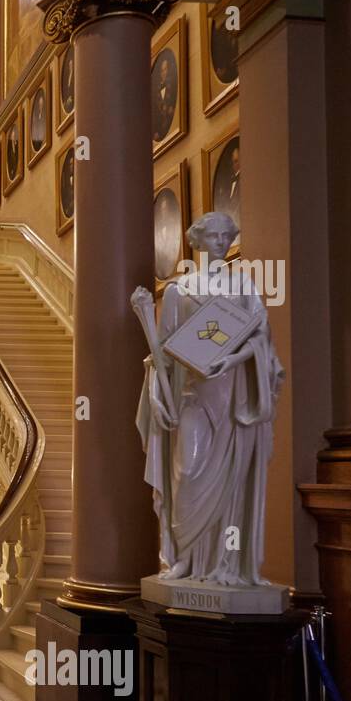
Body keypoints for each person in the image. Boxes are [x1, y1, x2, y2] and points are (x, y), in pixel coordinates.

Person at [131, 212, 284, 585]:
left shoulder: (244, 288)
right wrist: (158, 383)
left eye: (224, 235)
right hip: (191, 396)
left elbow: (260, 341)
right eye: (211, 236)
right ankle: (184, 559)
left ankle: (225, 564)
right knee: (187, 472)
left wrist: (231, 359)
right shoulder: (178, 291)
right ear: (197, 242)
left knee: (231, 480)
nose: (218, 241)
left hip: (232, 399)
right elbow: (165, 351)